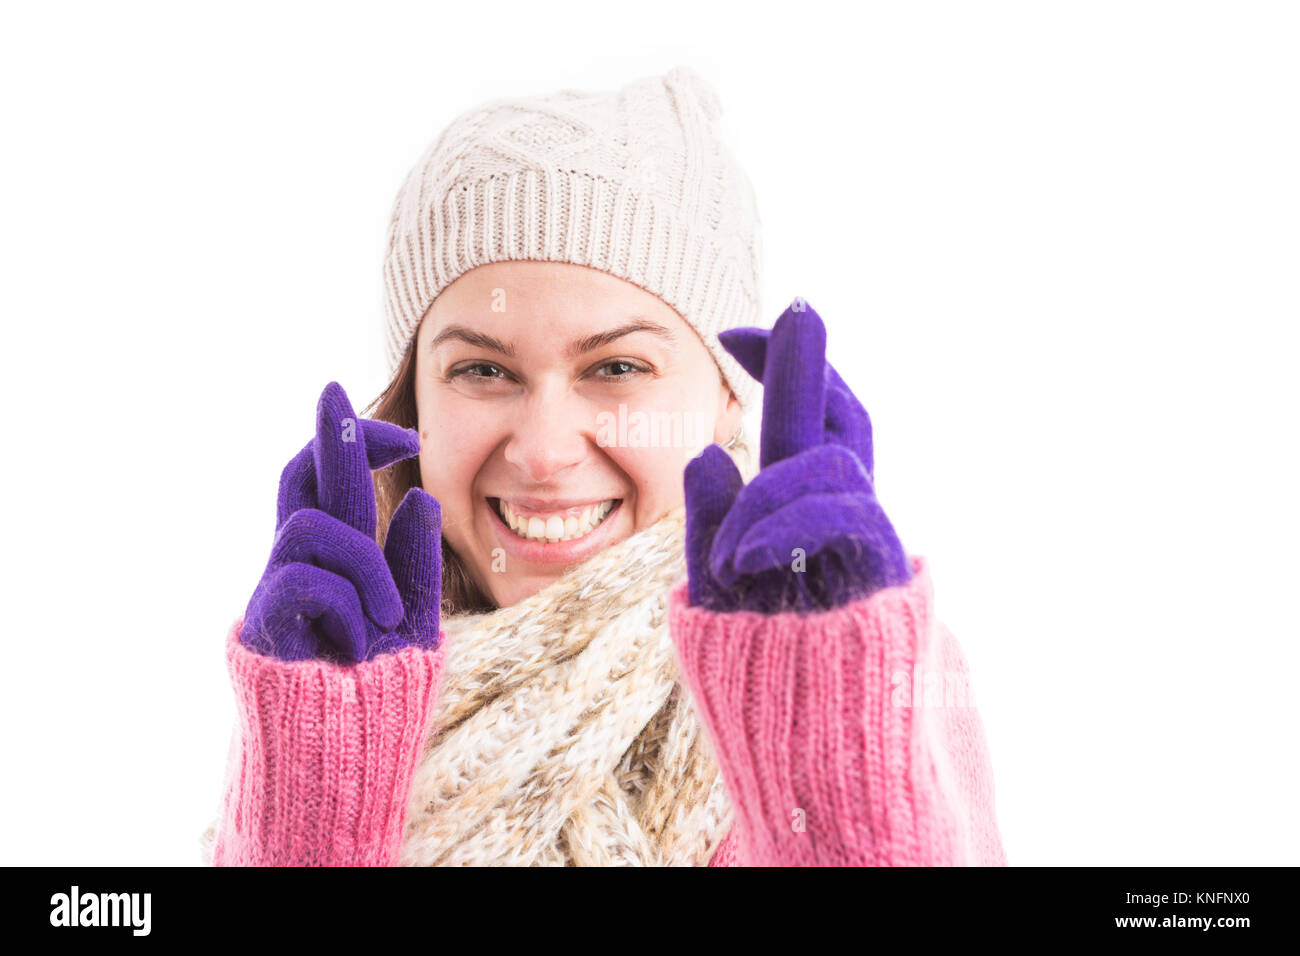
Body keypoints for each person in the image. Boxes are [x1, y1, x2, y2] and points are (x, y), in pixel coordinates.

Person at [201, 65, 1007, 866]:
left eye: (618, 368)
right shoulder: (326, 687)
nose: (545, 452)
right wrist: (307, 810)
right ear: (411, 402)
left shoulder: (881, 670)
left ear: (729, 396)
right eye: (483, 371)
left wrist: (833, 757)